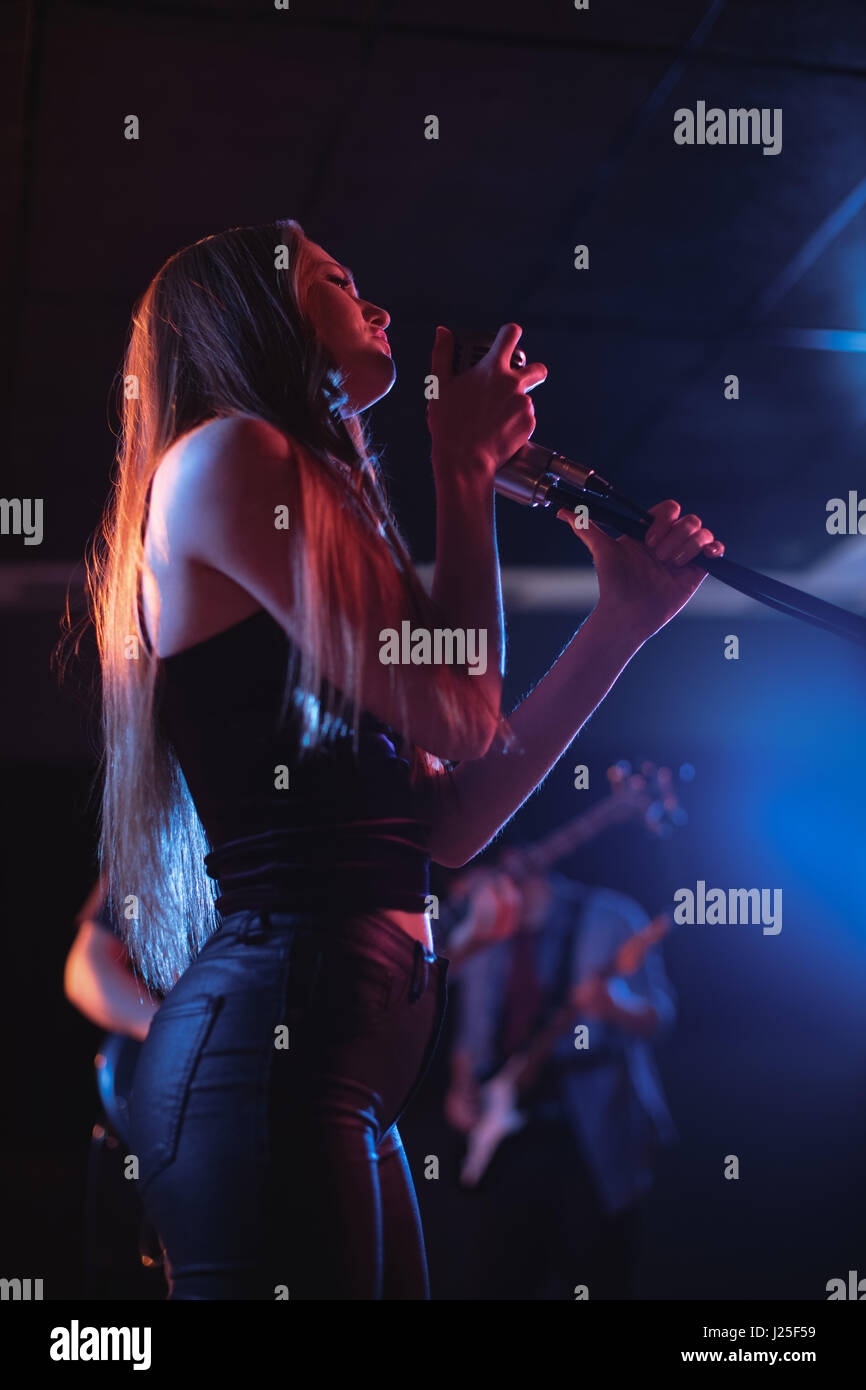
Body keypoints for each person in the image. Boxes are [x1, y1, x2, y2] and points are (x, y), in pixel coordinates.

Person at [79, 215, 723, 1299]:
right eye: (339, 281)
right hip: (269, 1058)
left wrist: (619, 623)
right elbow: (462, 711)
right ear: (256, 312)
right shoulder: (228, 456)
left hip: (338, 1069)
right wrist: (461, 470)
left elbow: (450, 819)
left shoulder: (311, 497)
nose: (378, 306)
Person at [444, 867, 676, 1299]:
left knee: (601, 1272)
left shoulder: (610, 916)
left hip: (593, 1133)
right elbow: (472, 1032)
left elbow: (660, 1015)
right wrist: (460, 1089)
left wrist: (613, 1006)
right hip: (506, 1140)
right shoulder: (485, 925)